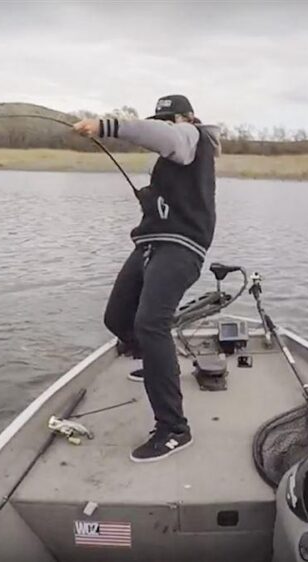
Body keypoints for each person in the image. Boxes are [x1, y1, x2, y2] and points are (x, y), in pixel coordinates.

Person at [73, 94, 220, 462]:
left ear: (187, 118)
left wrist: (107, 126)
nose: (167, 125)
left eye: (171, 119)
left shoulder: (191, 137)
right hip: (151, 246)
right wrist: (152, 202)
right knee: (118, 319)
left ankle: (174, 429)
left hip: (181, 249)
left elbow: (164, 136)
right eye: (162, 119)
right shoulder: (174, 157)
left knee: (152, 323)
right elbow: (171, 200)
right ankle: (155, 363)